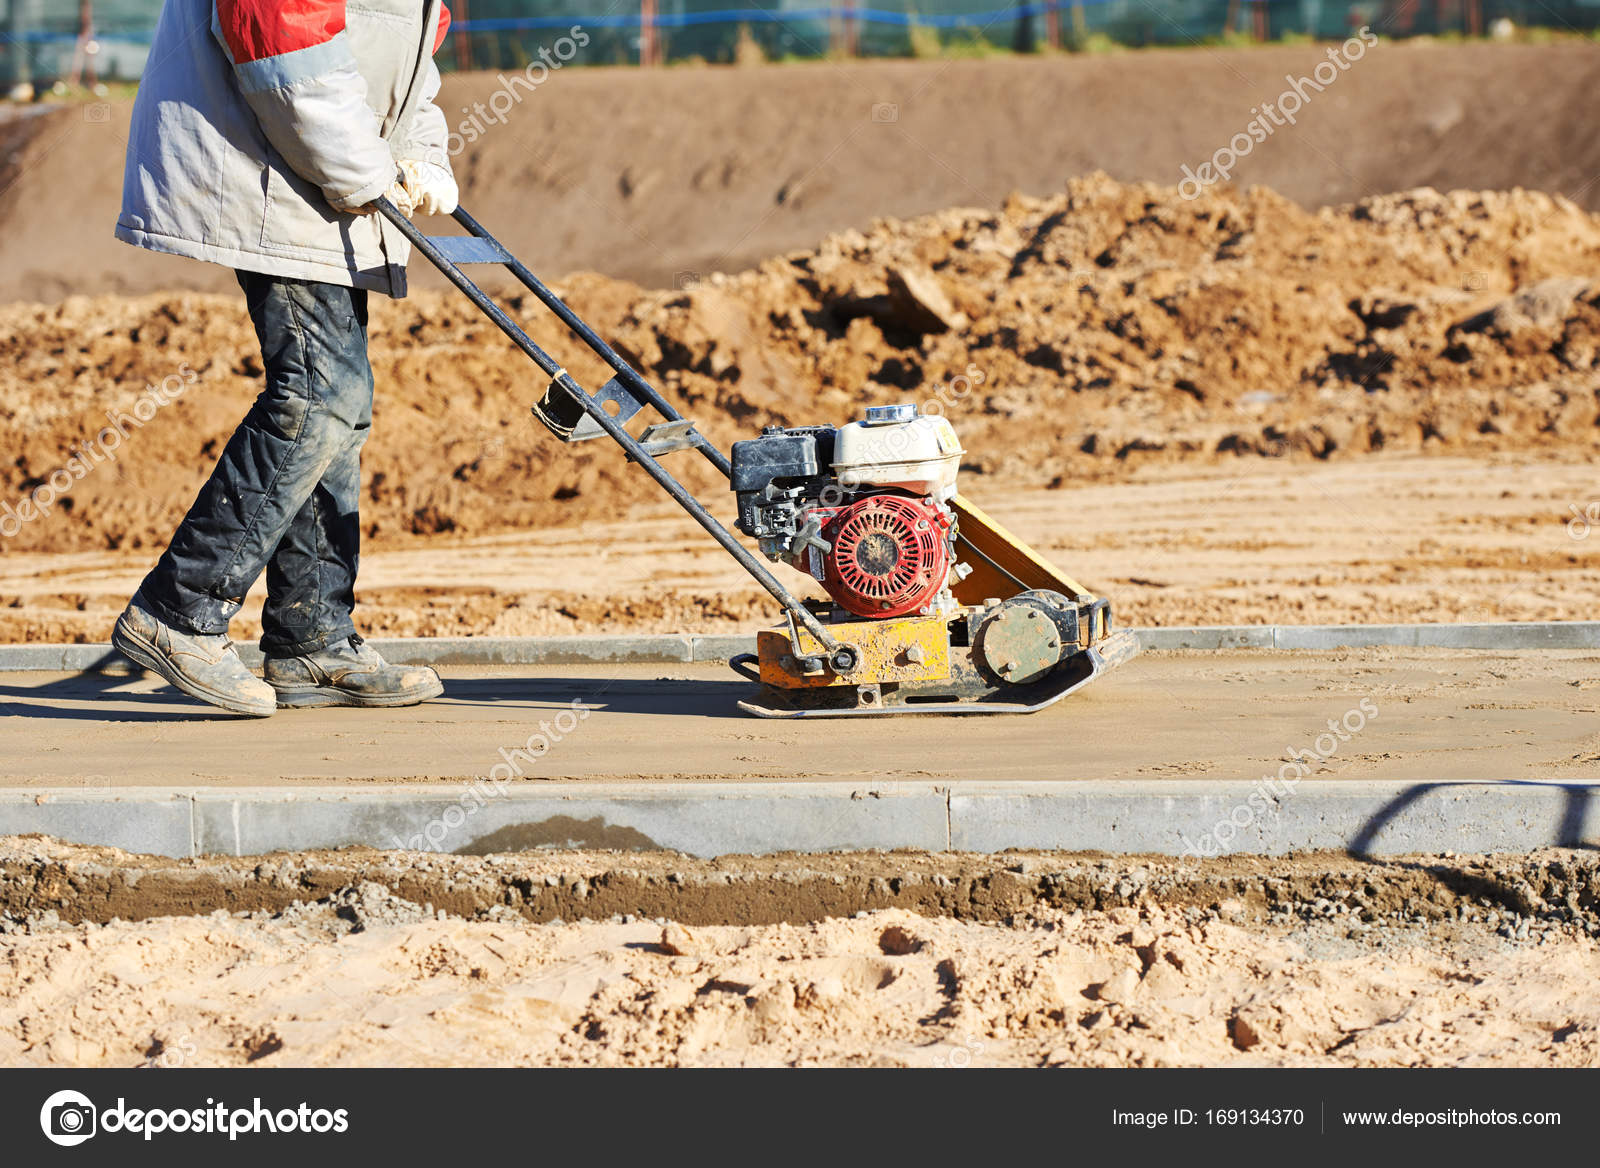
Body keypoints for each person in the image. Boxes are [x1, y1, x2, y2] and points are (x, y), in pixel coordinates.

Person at [110, 0, 459, 716]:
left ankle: (311, 639)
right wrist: (365, 169)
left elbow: (410, 60)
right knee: (320, 397)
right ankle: (179, 611)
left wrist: (423, 153)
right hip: (267, 165)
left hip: (318, 179)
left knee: (341, 406)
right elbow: (281, 41)